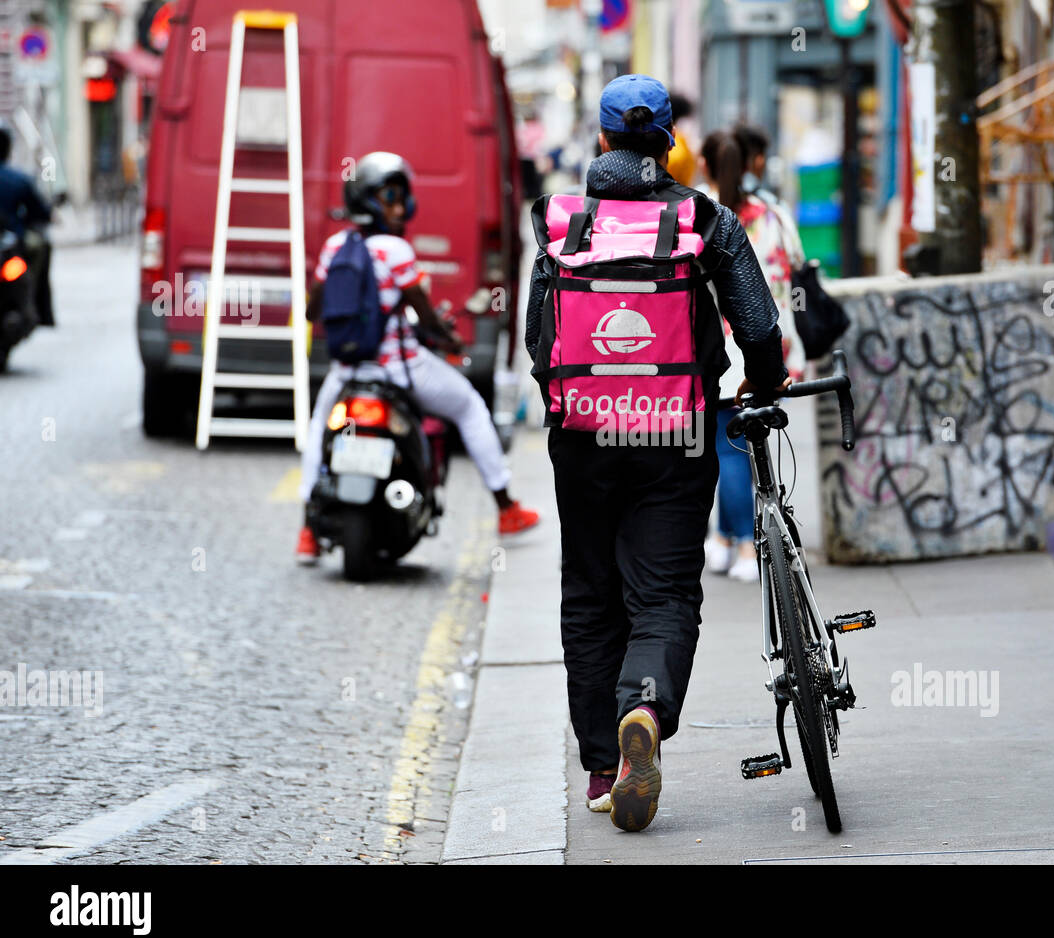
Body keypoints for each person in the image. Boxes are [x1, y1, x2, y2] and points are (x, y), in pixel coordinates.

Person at [525, 74, 789, 831]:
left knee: (589, 593)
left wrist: (567, 400)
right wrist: (756, 389)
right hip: (675, 429)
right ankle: (644, 704)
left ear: (603, 142)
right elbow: (759, 325)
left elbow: (540, 340)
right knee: (666, 592)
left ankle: (605, 767)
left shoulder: (559, 221)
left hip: (582, 438)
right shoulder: (703, 218)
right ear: (668, 141)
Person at [295, 151, 538, 563]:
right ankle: (505, 507)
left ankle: (307, 531)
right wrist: (451, 343)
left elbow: (310, 311)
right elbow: (425, 318)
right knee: (470, 408)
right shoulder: (396, 250)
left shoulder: (336, 246)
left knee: (319, 430)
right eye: (391, 198)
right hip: (401, 370)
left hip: (348, 372)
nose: (399, 207)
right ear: (373, 201)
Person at [698, 127, 805, 583]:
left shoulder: (697, 216)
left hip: (721, 352)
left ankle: (741, 544)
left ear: (705, 165)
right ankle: (728, 539)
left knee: (727, 449)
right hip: (770, 348)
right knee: (752, 446)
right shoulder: (774, 215)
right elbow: (796, 267)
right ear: (750, 164)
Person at [0, 124, 54, 327]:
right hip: (13, 245)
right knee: (42, 247)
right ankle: (41, 306)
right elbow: (41, 211)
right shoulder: (19, 180)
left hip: (9, 251)